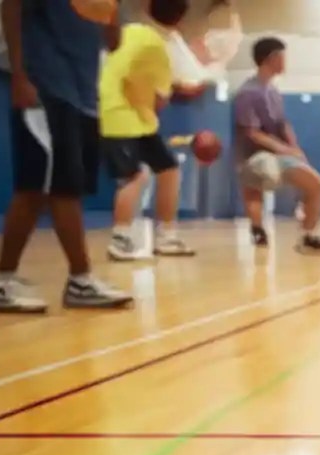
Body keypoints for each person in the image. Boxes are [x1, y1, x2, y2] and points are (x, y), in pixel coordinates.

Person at [0, 0, 133, 313]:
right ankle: (71, 279)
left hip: (84, 98)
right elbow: (10, 7)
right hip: (46, 87)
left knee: (53, 188)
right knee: (48, 187)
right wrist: (19, 75)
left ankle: (19, 281)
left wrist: (113, 13)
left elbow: (114, 42)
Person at [100, 0, 194, 262]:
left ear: (148, 8)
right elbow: (160, 99)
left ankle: (166, 236)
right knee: (135, 177)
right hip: (120, 115)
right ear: (180, 21)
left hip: (132, 115)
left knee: (168, 168)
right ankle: (121, 239)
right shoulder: (162, 48)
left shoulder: (130, 30)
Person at [232, 36, 320, 253]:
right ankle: (258, 229)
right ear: (272, 58)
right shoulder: (247, 92)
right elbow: (252, 132)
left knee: (316, 184)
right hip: (254, 157)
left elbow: (283, 124)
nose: (286, 61)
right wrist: (284, 149)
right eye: (283, 56)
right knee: (256, 188)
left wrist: (296, 150)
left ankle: (308, 235)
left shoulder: (273, 91)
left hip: (278, 155)